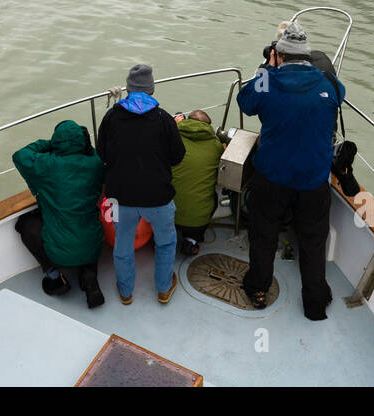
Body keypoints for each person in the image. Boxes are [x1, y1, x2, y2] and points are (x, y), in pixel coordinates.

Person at [238, 22, 346, 320]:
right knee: (313, 240)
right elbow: (340, 95)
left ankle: (258, 288)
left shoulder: (267, 82)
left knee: (264, 234)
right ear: (307, 56)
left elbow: (246, 103)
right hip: (313, 180)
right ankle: (314, 302)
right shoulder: (329, 84)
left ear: (279, 54)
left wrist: (266, 68)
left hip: (273, 177)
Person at [97, 64, 185, 305]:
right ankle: (164, 289)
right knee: (166, 243)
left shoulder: (111, 117)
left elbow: (102, 154)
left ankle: (126, 292)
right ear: (151, 90)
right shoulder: (164, 119)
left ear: (129, 89)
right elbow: (177, 156)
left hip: (120, 198)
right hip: (158, 197)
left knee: (122, 246)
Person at [12, 120, 106, 308]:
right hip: (94, 245)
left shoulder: (47, 165)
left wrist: (49, 144)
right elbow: (93, 154)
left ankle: (54, 276)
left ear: (57, 141)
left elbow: (19, 155)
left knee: (25, 225)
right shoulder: (95, 164)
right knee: (85, 227)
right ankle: (89, 272)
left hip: (59, 253)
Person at [172, 109, 224, 256]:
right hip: (198, 220)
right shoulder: (216, 146)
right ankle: (192, 240)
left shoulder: (172, 139)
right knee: (212, 194)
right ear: (208, 126)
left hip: (168, 213)